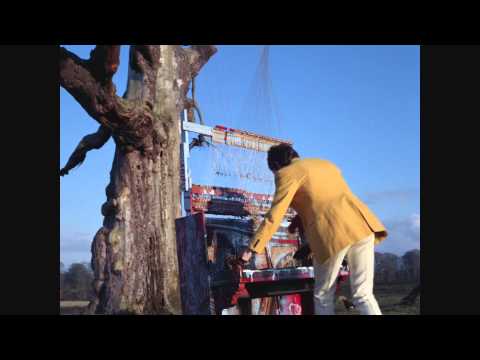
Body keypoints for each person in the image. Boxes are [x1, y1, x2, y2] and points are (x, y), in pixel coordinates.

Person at [240, 144, 388, 315]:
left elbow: (274, 217)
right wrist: (300, 217)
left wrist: (251, 249)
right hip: (361, 225)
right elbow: (325, 198)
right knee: (363, 294)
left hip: (332, 234)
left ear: (276, 166)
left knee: (322, 295)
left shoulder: (286, 174)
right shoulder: (324, 164)